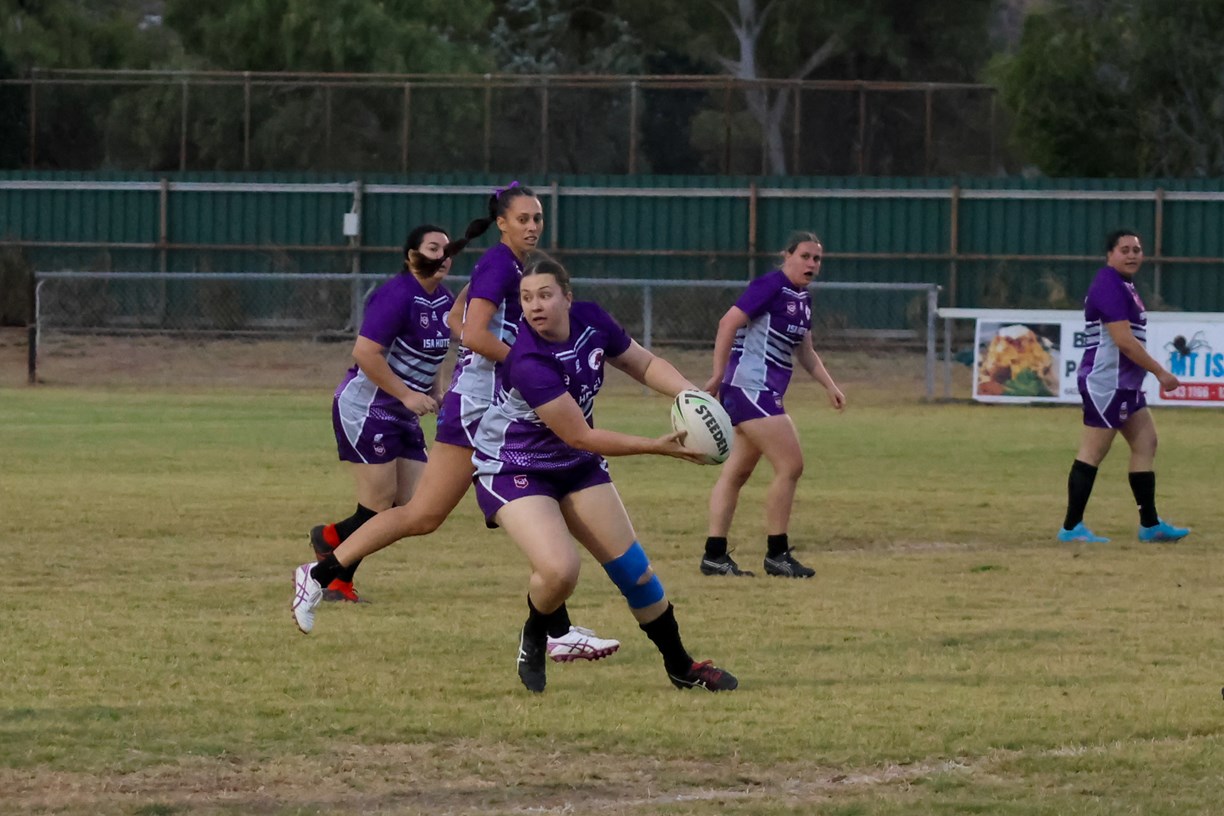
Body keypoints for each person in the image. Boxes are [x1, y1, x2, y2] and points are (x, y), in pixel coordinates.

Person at [294, 184, 619, 665]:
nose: (532, 226)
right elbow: (472, 332)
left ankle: (558, 630)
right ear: (502, 222)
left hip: (491, 404)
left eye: (538, 218)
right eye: (523, 218)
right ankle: (317, 575)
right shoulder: (498, 264)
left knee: (440, 513)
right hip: (482, 409)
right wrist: (529, 365)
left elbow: (452, 318)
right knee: (450, 509)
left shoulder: (507, 266)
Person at [471, 253, 737, 693]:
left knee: (636, 573)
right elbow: (580, 436)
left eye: (544, 295)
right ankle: (536, 632)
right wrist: (656, 446)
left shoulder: (591, 321)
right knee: (560, 571)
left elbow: (643, 364)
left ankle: (681, 667)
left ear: (567, 298)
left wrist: (693, 396)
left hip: (576, 467)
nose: (534, 306)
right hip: (514, 467)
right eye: (525, 298)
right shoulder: (528, 358)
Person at [306, 225, 456, 603]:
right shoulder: (396, 295)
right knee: (377, 506)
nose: (442, 256)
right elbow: (365, 353)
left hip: (400, 412)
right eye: (433, 248)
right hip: (366, 408)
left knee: (414, 507)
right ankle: (336, 582)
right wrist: (407, 395)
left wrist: (435, 390)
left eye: (447, 249)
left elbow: (435, 351)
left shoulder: (444, 299)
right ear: (411, 257)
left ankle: (331, 537)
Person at [699, 231, 846, 578]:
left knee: (736, 473)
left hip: (760, 391)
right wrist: (718, 374)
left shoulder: (803, 298)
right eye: (806, 256)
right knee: (791, 465)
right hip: (751, 389)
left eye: (817, 259)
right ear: (787, 255)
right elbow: (727, 322)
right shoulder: (770, 286)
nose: (812, 264)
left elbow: (806, 352)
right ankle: (777, 554)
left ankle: (714, 555)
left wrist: (830, 385)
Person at [1057, 229, 1190, 544]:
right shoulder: (1108, 284)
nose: (1132, 255)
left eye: (1137, 249)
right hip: (1107, 383)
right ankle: (1071, 527)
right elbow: (1123, 342)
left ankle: (1150, 525)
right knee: (1092, 451)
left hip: (1125, 384)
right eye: (1125, 249)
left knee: (1146, 443)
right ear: (1109, 255)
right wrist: (1161, 373)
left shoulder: (1125, 286)